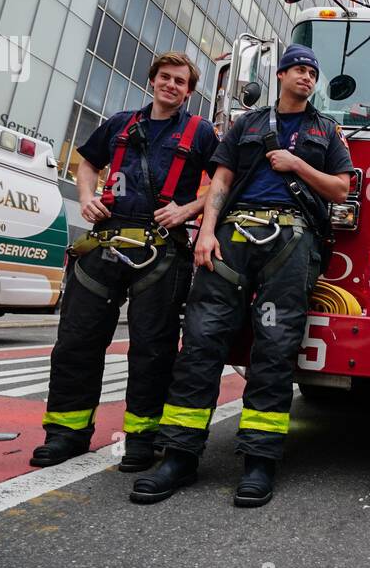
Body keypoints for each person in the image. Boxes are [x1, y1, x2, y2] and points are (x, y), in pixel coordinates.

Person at [129, 44, 353, 506]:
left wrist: (298, 165)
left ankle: (258, 462)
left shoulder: (326, 130)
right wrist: (205, 233)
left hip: (291, 241)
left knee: (275, 348)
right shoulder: (247, 124)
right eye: (298, 69)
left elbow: (341, 188)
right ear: (281, 75)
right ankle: (179, 456)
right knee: (201, 341)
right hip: (231, 236)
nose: (306, 77)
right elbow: (221, 183)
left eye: (313, 71)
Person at [31, 53, 217, 472]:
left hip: (163, 249)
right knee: (76, 341)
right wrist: (86, 197)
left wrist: (188, 211)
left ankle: (141, 440)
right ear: (152, 80)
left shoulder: (200, 132)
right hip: (105, 241)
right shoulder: (119, 124)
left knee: (153, 349)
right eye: (165, 78)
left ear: (189, 91)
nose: (171, 85)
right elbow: (87, 164)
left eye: (180, 81)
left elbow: (226, 183)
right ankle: (65, 434)